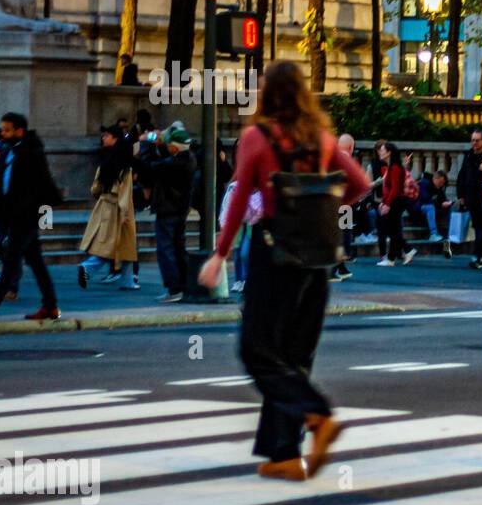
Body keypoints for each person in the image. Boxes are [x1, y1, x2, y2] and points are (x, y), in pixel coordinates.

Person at [199, 62, 370, 481]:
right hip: (318, 259)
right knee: (293, 355)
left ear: (268, 95)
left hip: (274, 255)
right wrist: (329, 206)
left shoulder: (258, 138)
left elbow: (239, 200)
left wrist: (220, 254)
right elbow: (361, 184)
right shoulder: (323, 140)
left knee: (257, 349)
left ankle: (316, 414)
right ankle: (284, 454)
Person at [0, 112, 62, 320]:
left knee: (10, 261)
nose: (3, 134)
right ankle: (50, 306)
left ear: (19, 131)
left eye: (7, 130)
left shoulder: (31, 152)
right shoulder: (12, 149)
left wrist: (31, 212)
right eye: (2, 130)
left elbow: (42, 186)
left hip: (25, 216)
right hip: (15, 214)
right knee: (36, 262)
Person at [77, 123, 138, 289]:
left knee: (117, 244)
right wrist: (125, 213)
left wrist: (101, 197)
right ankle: (88, 267)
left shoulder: (106, 161)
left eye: (107, 135)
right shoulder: (124, 166)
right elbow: (125, 192)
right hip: (119, 208)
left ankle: (127, 280)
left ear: (115, 138)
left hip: (105, 204)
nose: (103, 138)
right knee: (118, 245)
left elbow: (95, 188)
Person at [142, 125, 196, 303]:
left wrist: (147, 144)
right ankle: (184, 285)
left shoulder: (175, 163)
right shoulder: (187, 159)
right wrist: (159, 144)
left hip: (168, 210)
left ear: (174, 147)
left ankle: (174, 288)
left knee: (166, 249)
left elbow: (150, 166)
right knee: (178, 248)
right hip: (179, 211)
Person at [375, 141, 415, 267]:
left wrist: (387, 204)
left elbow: (395, 188)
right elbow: (389, 189)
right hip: (394, 201)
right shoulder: (392, 167)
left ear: (389, 152)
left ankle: (395, 257)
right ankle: (405, 251)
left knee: (391, 230)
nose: (380, 152)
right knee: (394, 230)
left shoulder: (395, 168)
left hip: (396, 201)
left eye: (382, 150)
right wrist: (383, 202)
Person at [456, 129, 482, 268]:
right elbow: (462, 175)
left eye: (477, 140)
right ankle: (480, 256)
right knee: (477, 228)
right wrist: (461, 195)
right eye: (472, 140)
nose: (474, 143)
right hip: (471, 197)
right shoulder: (469, 155)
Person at [329, 133, 358, 282]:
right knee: (343, 238)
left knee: (340, 236)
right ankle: (333, 270)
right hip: (343, 206)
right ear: (351, 147)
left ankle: (340, 267)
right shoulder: (346, 160)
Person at [419, 169, 454, 257]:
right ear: (435, 179)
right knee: (430, 207)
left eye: (442, 183)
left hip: (435, 210)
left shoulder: (439, 189)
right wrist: (440, 203)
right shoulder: (425, 183)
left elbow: (442, 199)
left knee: (450, 210)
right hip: (421, 207)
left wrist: (447, 203)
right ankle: (433, 234)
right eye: (440, 182)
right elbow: (424, 199)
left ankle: (447, 242)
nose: (441, 185)